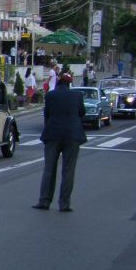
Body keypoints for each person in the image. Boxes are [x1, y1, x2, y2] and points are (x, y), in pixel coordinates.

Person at [33, 71, 86, 212]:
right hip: (72, 135)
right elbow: (82, 113)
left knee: (49, 169)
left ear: (58, 82)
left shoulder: (51, 95)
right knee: (69, 170)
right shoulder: (77, 95)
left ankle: (44, 201)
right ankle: (64, 204)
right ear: (69, 83)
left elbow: (47, 114)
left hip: (53, 134)